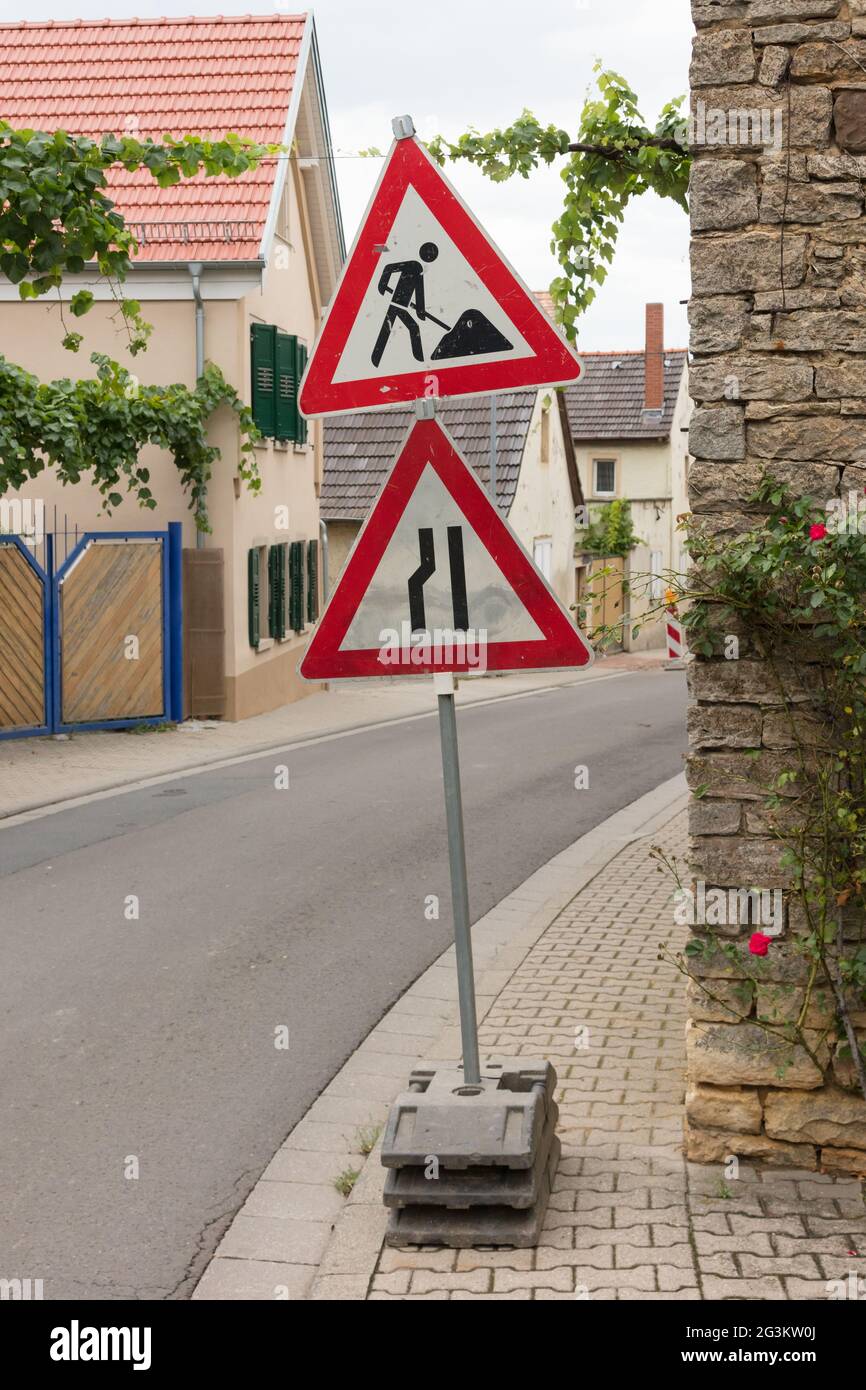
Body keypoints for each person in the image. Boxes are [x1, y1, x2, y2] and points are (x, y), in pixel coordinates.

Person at [371, 242, 439, 368]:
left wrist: (420, 311)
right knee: (406, 328)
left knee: (409, 328)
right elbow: (388, 268)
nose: (430, 257)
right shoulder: (413, 265)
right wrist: (382, 285)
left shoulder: (419, 269)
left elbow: (419, 292)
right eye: (429, 254)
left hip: (401, 306)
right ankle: (375, 360)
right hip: (395, 304)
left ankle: (376, 359)